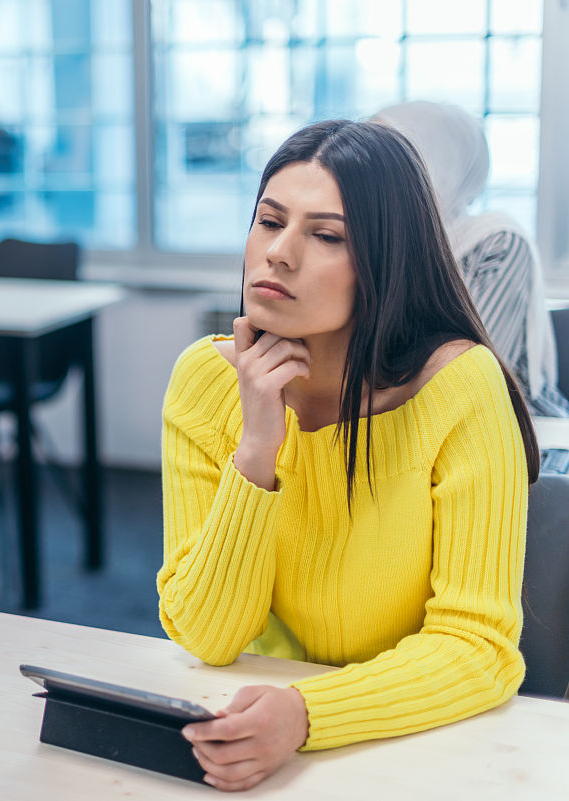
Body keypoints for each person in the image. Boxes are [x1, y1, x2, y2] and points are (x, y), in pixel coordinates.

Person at [157, 119, 537, 791]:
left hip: (416, 742)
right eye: (269, 221)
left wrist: (307, 714)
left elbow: (479, 647)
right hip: (250, 732)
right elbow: (207, 635)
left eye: (327, 236)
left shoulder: (459, 386)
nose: (279, 254)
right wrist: (257, 449)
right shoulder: (205, 380)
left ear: (387, 263)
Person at [372, 101, 569, 471]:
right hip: (401, 428)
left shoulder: (497, 241)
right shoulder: (374, 241)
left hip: (513, 433)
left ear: (437, 164)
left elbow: (468, 377)